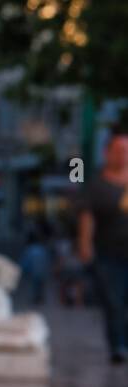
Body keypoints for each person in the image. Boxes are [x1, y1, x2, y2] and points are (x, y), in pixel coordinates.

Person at [77, 133, 128, 364]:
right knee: (113, 301)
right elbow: (87, 217)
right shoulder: (96, 185)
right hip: (108, 254)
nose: (123, 154)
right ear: (107, 153)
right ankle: (117, 346)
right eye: (118, 150)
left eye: (126, 150)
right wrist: (85, 245)